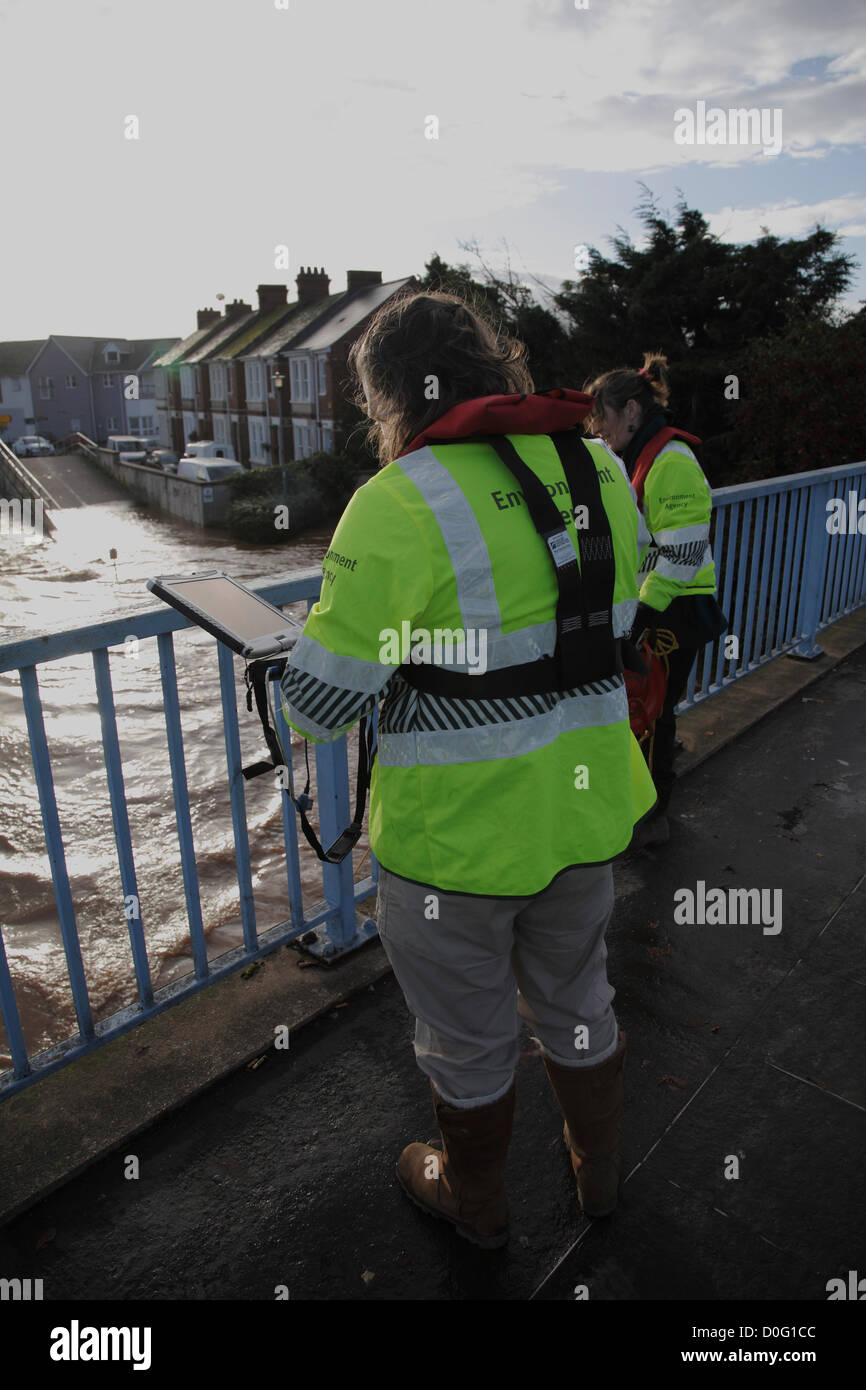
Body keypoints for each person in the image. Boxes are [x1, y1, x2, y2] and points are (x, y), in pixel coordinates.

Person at [278, 291, 656, 1249]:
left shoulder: (398, 501)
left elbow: (319, 706)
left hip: (456, 848)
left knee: (468, 1038)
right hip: (582, 815)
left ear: (389, 394)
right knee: (579, 1000)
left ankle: (476, 1207)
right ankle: (599, 1180)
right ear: (496, 363)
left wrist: (307, 656)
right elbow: (611, 617)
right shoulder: (600, 466)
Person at [584, 353, 722, 848]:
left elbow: (683, 551)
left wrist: (640, 616)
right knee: (652, 711)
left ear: (632, 412)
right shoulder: (649, 456)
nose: (598, 430)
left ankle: (651, 817)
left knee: (651, 712)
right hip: (666, 603)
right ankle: (648, 812)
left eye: (602, 417)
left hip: (675, 607)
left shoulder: (671, 461)